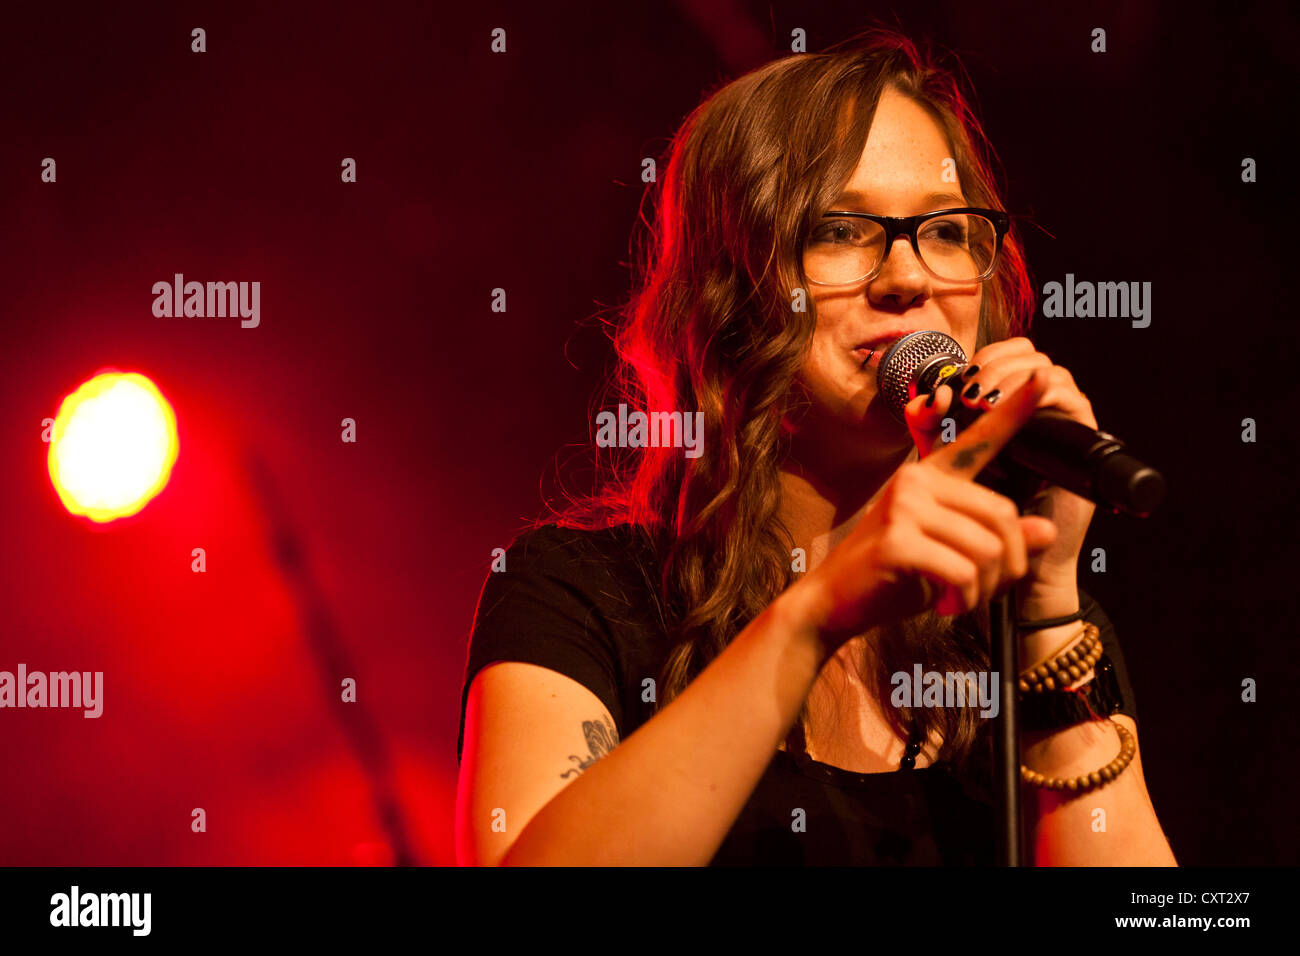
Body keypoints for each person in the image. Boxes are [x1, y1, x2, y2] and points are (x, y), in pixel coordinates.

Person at [454, 27, 1177, 866]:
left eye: (944, 231)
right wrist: (813, 615)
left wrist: (1048, 616)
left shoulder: (1022, 623)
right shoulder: (582, 597)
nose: (908, 278)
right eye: (841, 230)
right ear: (729, 288)